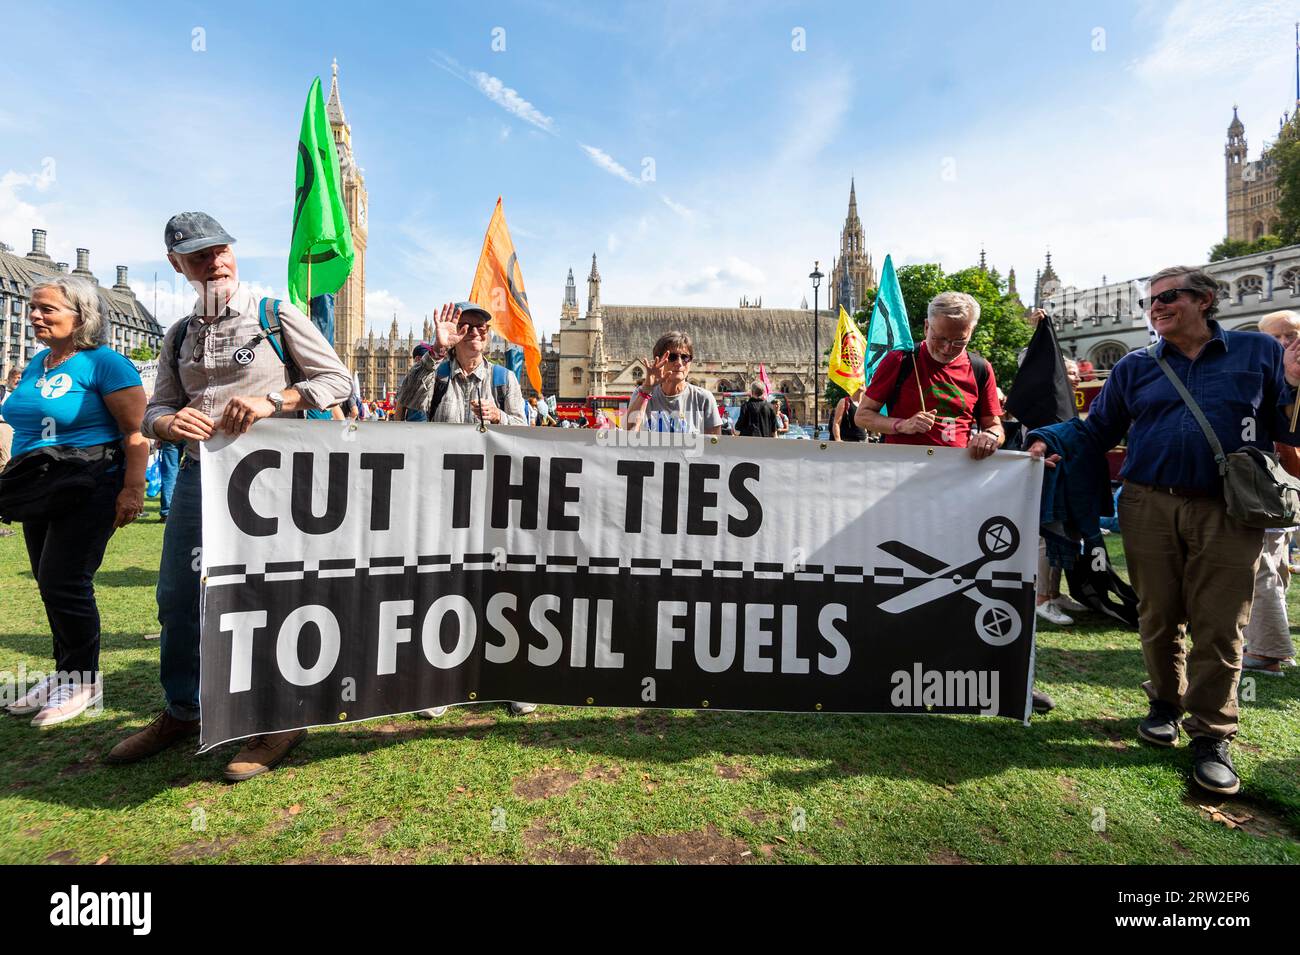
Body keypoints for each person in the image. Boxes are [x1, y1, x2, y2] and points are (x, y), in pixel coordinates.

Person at [1028, 267, 1300, 795]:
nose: (1156, 306)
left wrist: (1291, 410)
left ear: (1205, 300)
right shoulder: (1135, 365)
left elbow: (1286, 428)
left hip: (1229, 508)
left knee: (1220, 624)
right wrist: (1043, 439)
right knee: (1157, 615)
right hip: (1147, 504)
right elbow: (1094, 431)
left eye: (1168, 297)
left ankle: (1211, 735)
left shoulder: (1258, 353)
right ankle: (1163, 704)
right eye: (1150, 299)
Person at [105, 212, 353, 781]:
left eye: (220, 250)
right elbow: (156, 408)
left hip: (275, 482)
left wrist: (278, 400)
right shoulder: (178, 334)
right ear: (178, 266)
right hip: (198, 480)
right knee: (178, 597)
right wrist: (169, 426)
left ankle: (281, 718)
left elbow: (338, 381)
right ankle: (184, 710)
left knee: (275, 599)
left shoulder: (274, 314)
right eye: (198, 256)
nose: (214, 262)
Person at [2, 277, 147, 726]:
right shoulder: (38, 364)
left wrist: (132, 488)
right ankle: (65, 672)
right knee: (49, 583)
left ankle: (83, 681)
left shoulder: (106, 364)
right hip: (40, 485)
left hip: (91, 483)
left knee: (65, 580)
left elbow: (136, 432)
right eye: (32, 307)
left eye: (47, 309)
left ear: (81, 316)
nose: (36, 316)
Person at [408, 300, 530, 717]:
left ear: (489, 336)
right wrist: (434, 353)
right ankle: (441, 680)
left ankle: (511, 676)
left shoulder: (503, 379)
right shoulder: (437, 374)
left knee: (502, 584)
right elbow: (407, 405)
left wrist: (501, 417)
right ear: (455, 332)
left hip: (494, 497)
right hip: (443, 497)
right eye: (467, 326)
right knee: (445, 585)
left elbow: (527, 433)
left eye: (482, 328)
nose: (475, 333)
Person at [854, 291, 1004, 460]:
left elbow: (994, 426)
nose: (947, 348)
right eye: (940, 339)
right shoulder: (900, 360)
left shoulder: (981, 368)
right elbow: (862, 415)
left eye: (959, 342)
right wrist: (902, 425)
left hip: (957, 476)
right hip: (901, 471)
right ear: (927, 327)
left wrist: (991, 437)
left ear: (971, 332)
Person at [1240, 309, 1300, 675]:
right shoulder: (1259, 376)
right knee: (1271, 565)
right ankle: (1271, 642)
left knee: (1263, 566)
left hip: (1276, 486)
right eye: (1278, 337)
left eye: (1293, 335)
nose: (1287, 343)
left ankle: (1267, 650)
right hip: (1270, 484)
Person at [1035, 358, 1088, 626]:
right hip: (1048, 477)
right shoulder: (1045, 404)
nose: (1076, 378)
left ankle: (1054, 594)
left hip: (1068, 479)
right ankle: (1041, 599)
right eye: (1070, 373)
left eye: (1078, 373)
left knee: (1064, 535)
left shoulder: (1069, 405)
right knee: (1047, 536)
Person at [625, 332, 722, 435]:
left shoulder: (703, 398)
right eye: (672, 357)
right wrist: (647, 389)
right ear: (658, 361)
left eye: (685, 357)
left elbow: (714, 444)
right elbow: (631, 432)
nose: (679, 362)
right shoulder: (642, 394)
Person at [394, 342, 434, 421]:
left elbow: (400, 410)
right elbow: (400, 407)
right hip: (417, 426)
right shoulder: (412, 377)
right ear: (418, 359)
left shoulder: (437, 374)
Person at [155, 438, 184, 524]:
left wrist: (159, 436)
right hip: (195, 432)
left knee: (169, 474)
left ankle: (167, 513)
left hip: (170, 433)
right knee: (197, 470)